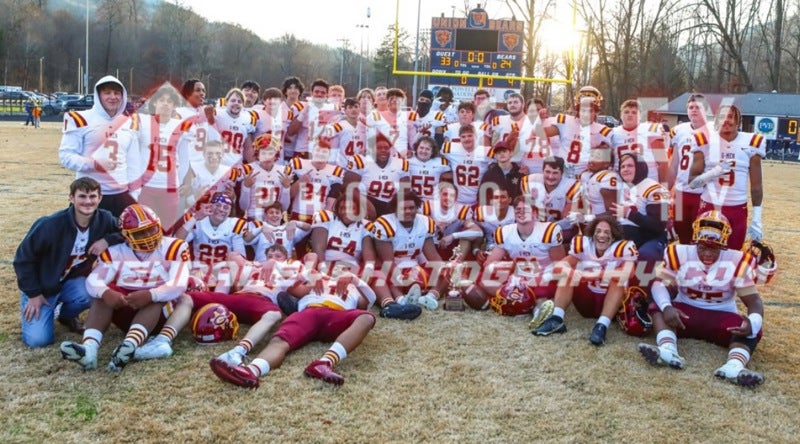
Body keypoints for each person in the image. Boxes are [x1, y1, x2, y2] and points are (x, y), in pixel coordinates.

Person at [638, 211, 765, 387]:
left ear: (723, 245)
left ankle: (734, 367)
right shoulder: (679, 252)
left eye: (713, 248)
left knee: (752, 328)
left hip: (721, 315)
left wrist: (753, 323)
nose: (707, 253)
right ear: (695, 242)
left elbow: (754, 302)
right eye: (703, 247)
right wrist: (667, 307)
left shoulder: (737, 260)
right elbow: (659, 285)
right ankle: (667, 351)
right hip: (684, 314)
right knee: (658, 306)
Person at [60, 203, 190, 372]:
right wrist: (106, 292)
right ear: (126, 236)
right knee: (102, 297)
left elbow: (179, 283)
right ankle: (89, 350)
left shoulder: (174, 247)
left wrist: (151, 294)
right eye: (140, 233)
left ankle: (129, 345)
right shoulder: (115, 252)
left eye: (151, 229)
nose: (149, 236)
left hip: (160, 314)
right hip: (125, 310)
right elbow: (93, 280)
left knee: (157, 298)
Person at [209, 266, 378, 388]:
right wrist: (307, 274)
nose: (337, 270)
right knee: (280, 340)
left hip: (336, 315)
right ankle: (251, 371)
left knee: (367, 318)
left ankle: (324, 362)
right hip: (309, 311)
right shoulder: (314, 283)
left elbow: (370, 300)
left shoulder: (354, 288)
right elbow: (285, 284)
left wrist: (355, 280)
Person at [16, 178, 122, 348]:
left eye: (92, 196)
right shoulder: (50, 224)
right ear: (71, 198)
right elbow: (23, 259)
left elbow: (126, 232)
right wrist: (34, 293)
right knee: (38, 341)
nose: (88, 202)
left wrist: (108, 240)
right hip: (43, 287)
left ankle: (65, 314)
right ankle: (44, 308)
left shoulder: (104, 219)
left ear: (100, 198)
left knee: (91, 292)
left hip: (71, 282)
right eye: (82, 196)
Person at [533, 215, 638, 345]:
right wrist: (571, 272)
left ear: (614, 235)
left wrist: (597, 274)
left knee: (619, 281)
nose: (602, 235)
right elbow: (559, 266)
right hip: (587, 301)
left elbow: (628, 273)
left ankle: (602, 326)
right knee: (567, 274)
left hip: (611, 302)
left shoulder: (623, 248)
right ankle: (557, 319)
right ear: (592, 233)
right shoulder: (583, 244)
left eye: (607, 232)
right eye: (598, 231)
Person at [464, 196, 565, 313]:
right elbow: (490, 264)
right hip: (518, 277)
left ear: (534, 213)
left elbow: (560, 266)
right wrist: (511, 272)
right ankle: (520, 300)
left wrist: (538, 279)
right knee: (483, 280)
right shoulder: (505, 232)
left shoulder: (549, 231)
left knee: (541, 293)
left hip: (543, 277)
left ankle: (530, 305)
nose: (521, 213)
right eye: (518, 210)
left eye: (525, 210)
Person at [58, 75, 141, 216]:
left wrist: (135, 195)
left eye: (116, 93)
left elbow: (134, 164)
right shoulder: (81, 118)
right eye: (107, 92)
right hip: (90, 195)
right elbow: (66, 155)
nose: (112, 97)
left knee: (123, 237)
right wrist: (93, 164)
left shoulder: (129, 122)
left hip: (122, 195)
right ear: (98, 95)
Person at [688, 104, 765, 250]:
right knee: (706, 252)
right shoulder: (704, 140)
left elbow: (756, 186)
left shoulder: (752, 143)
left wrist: (757, 219)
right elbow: (692, 183)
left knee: (733, 253)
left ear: (738, 121)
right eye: (722, 117)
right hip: (709, 207)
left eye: (730, 117)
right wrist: (714, 172)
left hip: (737, 208)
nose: (726, 121)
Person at [541, 86, 613, 179]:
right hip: (561, 174)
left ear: (596, 112)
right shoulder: (566, 121)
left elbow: (607, 161)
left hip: (585, 177)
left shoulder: (603, 132)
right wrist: (538, 120)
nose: (586, 114)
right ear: (578, 110)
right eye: (583, 110)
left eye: (590, 111)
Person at [668, 94, 710, 243]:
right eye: (691, 107)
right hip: (681, 192)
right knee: (682, 233)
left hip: (703, 193)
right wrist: (667, 190)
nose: (693, 110)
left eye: (698, 107)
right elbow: (674, 164)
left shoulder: (713, 132)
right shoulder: (678, 131)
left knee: (702, 236)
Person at [611, 153, 669, 264]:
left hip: (651, 238)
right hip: (626, 238)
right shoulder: (620, 188)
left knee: (645, 256)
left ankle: (645, 281)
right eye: (622, 167)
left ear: (640, 167)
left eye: (630, 166)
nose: (625, 169)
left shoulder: (656, 188)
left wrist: (630, 214)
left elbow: (659, 225)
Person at [346, 132, 410, 217]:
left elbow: (405, 191)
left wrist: (394, 208)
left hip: (390, 204)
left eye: (386, 148)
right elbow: (349, 188)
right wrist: (367, 205)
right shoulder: (361, 161)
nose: (383, 150)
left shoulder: (400, 164)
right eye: (379, 148)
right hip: (365, 203)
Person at [610, 99, 668, 183]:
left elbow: (663, 162)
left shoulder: (650, 130)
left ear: (640, 116)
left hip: (648, 181)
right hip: (622, 182)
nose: (630, 115)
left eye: (634, 112)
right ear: (621, 115)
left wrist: (663, 185)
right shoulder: (613, 133)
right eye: (626, 112)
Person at [440, 124, 493, 206]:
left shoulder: (485, 151)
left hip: (478, 201)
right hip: (456, 201)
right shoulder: (450, 148)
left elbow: (501, 160)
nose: (466, 139)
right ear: (459, 138)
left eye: (469, 136)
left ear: (475, 137)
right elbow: (439, 156)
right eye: (463, 136)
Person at [408, 136, 451, 201]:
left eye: (427, 149)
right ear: (416, 148)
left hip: (433, 201)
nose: (423, 151)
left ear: (432, 151)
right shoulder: (408, 162)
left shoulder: (441, 163)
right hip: (414, 201)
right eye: (421, 148)